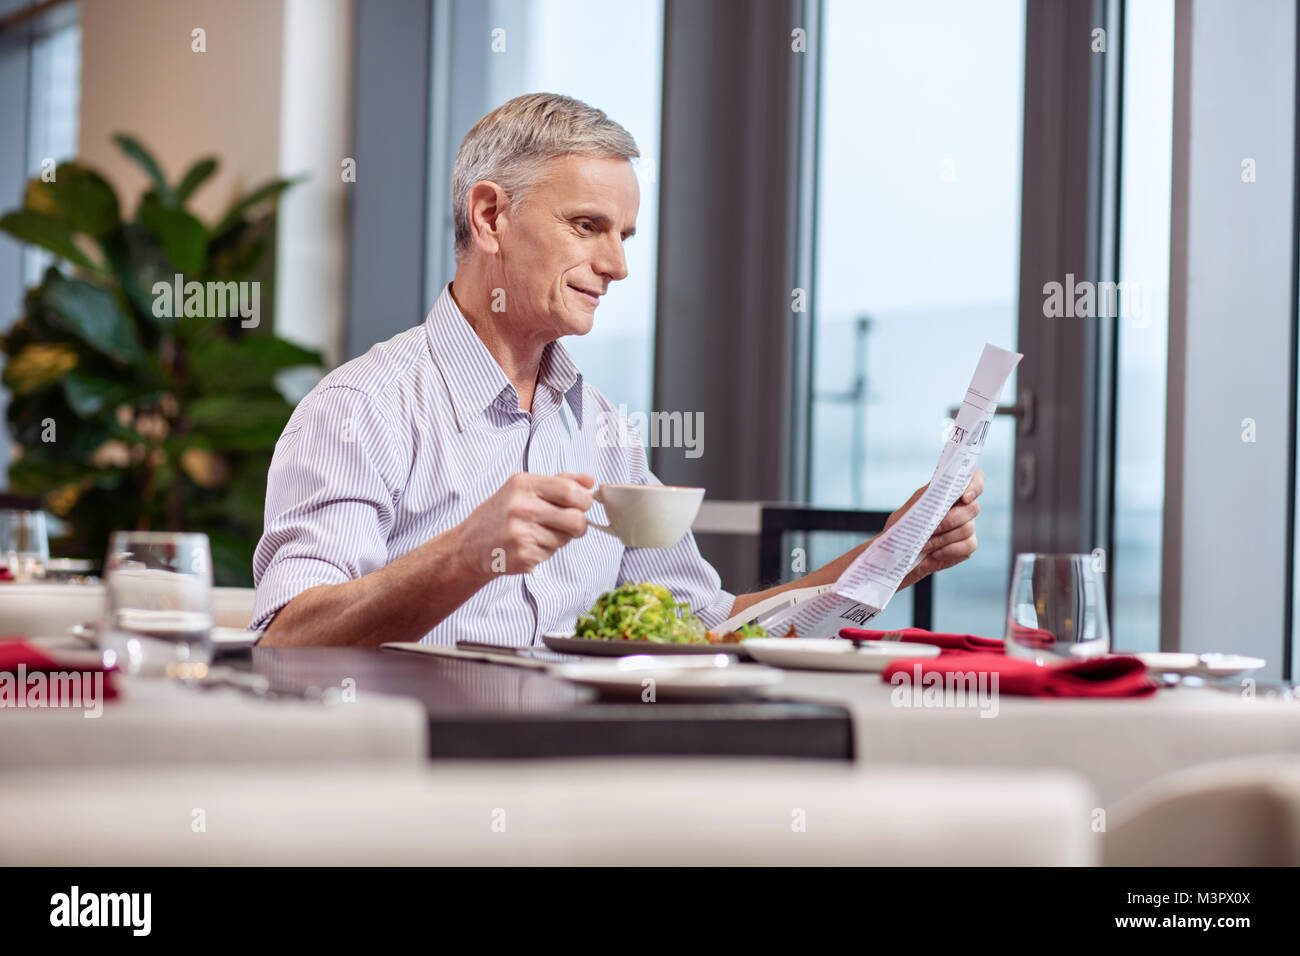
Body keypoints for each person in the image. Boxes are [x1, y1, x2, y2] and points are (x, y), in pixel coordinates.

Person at [252, 93, 982, 647]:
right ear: (489, 218)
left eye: (624, 235)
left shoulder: (602, 428)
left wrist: (887, 558)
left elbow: (708, 627)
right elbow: (287, 636)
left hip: (583, 779)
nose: (617, 265)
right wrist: (465, 557)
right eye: (586, 226)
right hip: (424, 782)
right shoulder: (360, 408)